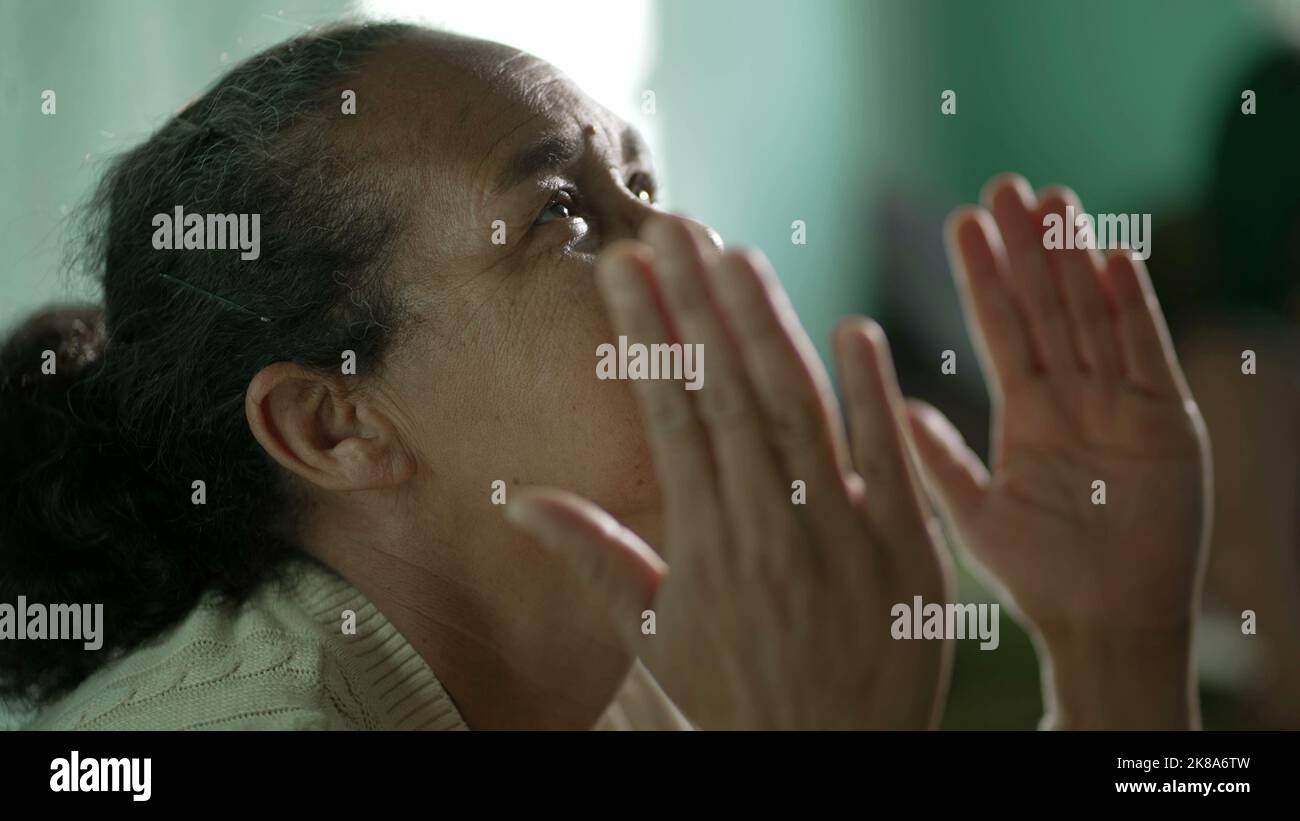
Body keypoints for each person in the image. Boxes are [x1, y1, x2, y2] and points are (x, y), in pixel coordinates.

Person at [0, 22, 1210, 730]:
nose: (688, 244)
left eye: (645, 183)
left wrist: (1119, 648)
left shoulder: (618, 636)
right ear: (335, 423)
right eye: (565, 217)